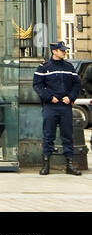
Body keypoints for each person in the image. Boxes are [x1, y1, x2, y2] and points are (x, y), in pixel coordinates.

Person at [33, 40, 83, 176]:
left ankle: (69, 165)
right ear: (54, 51)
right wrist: (49, 97)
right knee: (48, 136)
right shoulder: (43, 67)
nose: (64, 52)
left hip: (65, 106)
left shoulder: (69, 67)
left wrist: (71, 97)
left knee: (67, 135)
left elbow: (77, 85)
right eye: (62, 50)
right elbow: (37, 85)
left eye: (64, 50)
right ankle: (46, 166)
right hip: (51, 106)